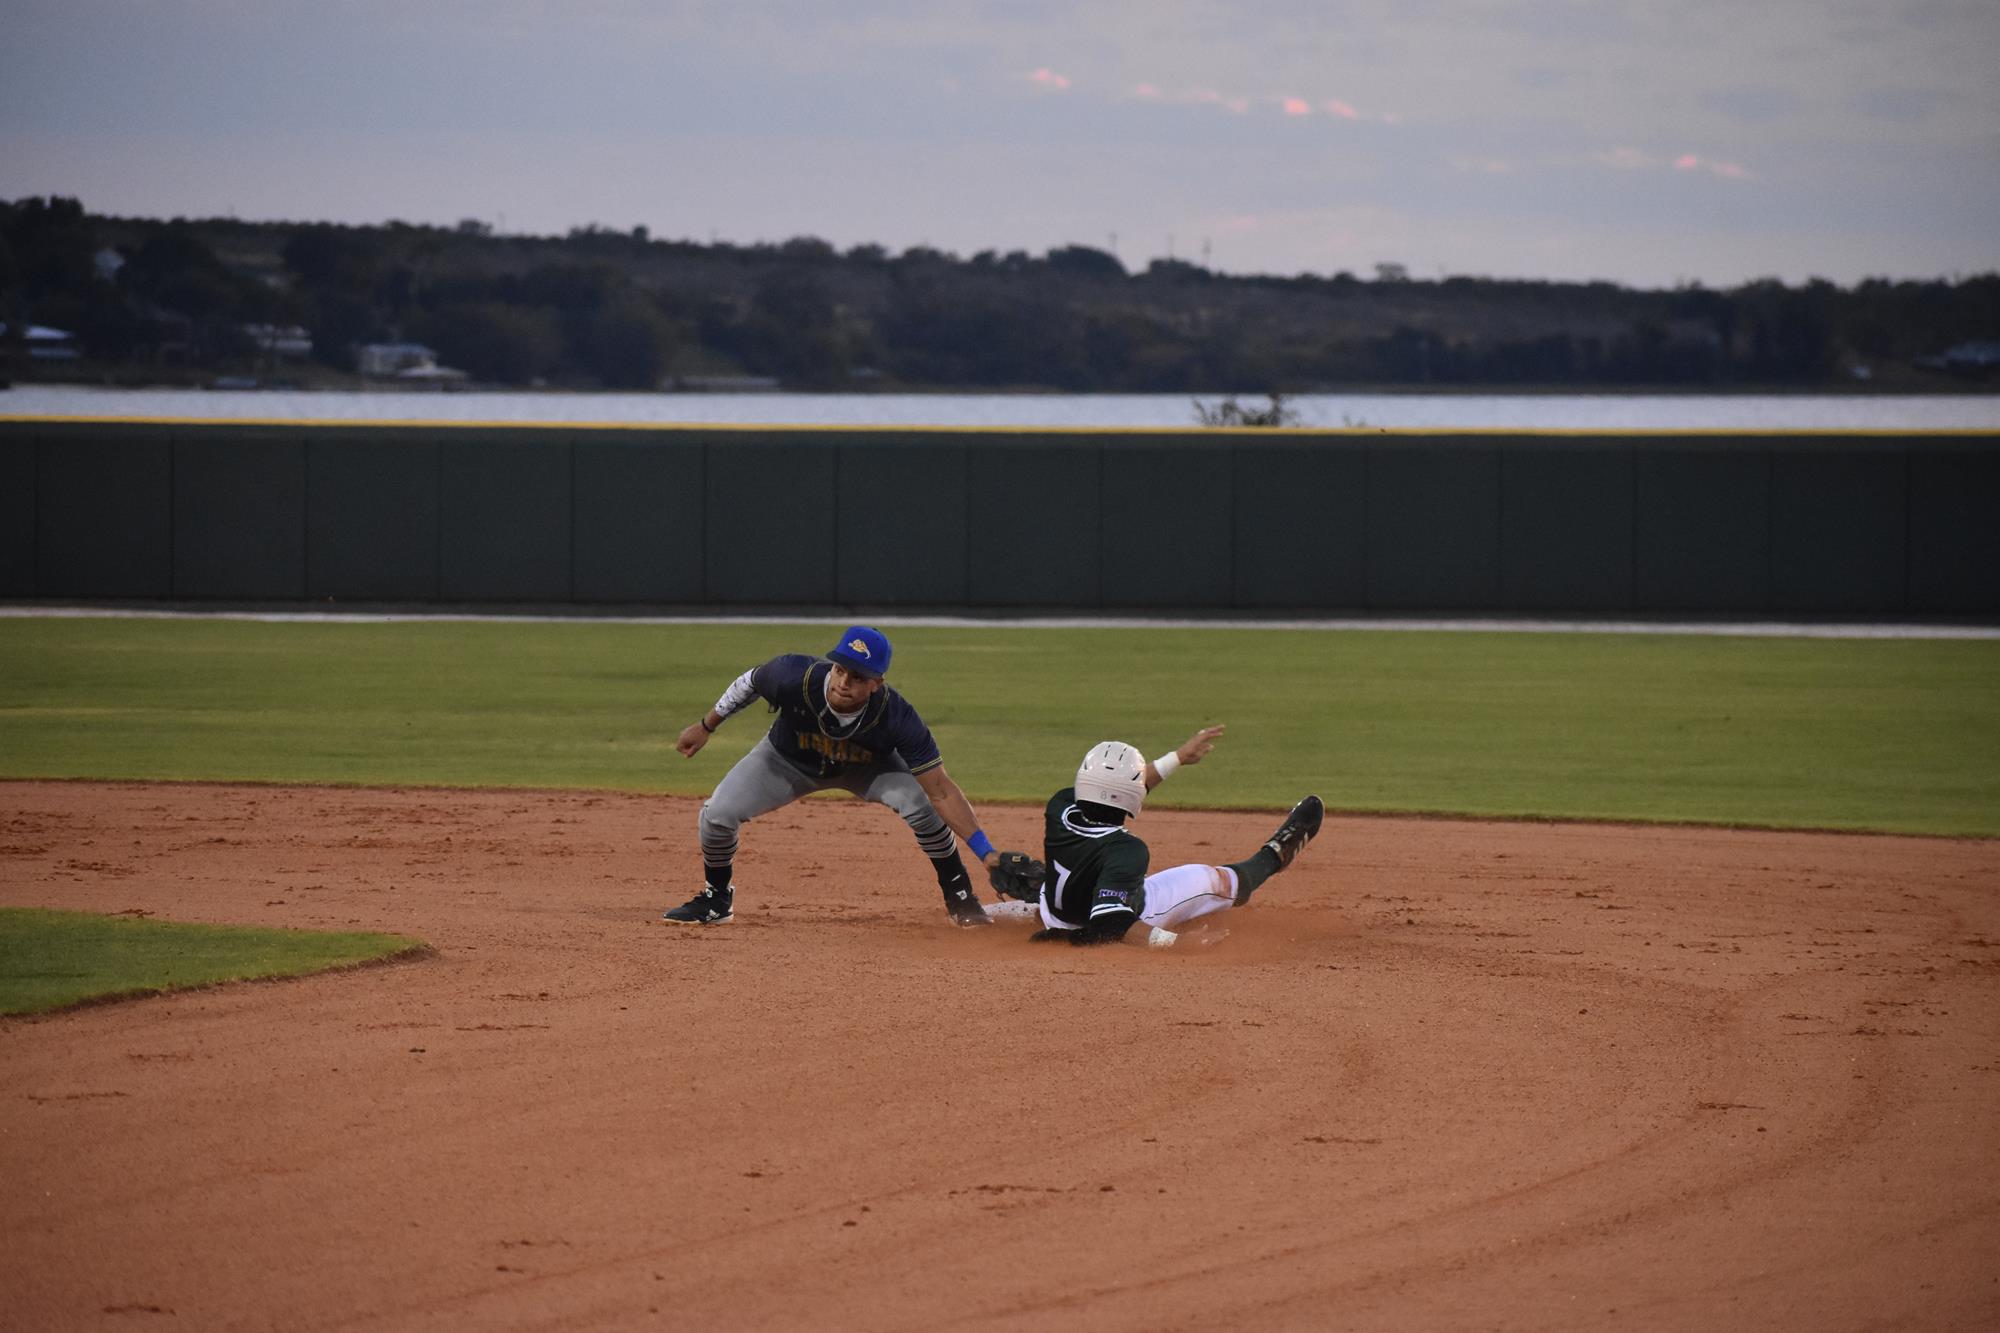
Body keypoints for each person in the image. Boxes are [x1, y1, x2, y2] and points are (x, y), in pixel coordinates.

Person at [665, 625, 1000, 927]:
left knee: (923, 807)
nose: (843, 682)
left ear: (876, 683)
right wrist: (707, 725)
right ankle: (717, 899)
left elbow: (941, 790)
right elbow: (748, 682)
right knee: (717, 814)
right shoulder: (793, 675)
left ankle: (960, 897)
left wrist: (987, 853)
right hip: (787, 759)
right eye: (840, 670)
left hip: (870, 769)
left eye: (857, 677)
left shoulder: (896, 716)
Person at [1027, 724, 1323, 946]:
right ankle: (1274, 855)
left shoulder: (1059, 806)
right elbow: (1111, 922)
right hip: (1106, 921)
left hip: (1053, 910)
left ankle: (1021, 911)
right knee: (1213, 881)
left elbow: (1115, 789)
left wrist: (1178, 758)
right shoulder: (1126, 850)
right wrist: (1177, 942)